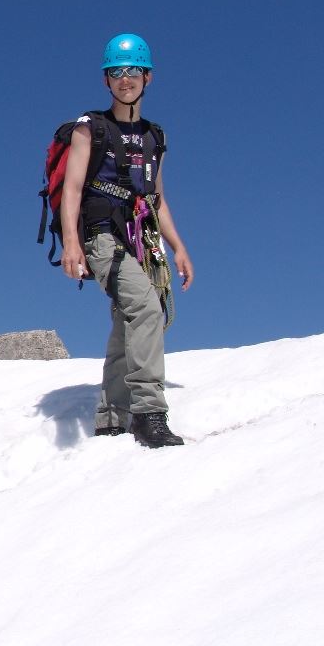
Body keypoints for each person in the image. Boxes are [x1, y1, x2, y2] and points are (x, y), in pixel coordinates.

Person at [60, 34, 194, 448]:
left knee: (128, 318)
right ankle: (149, 412)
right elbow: (72, 188)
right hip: (101, 238)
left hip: (141, 237)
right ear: (106, 81)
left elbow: (157, 197)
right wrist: (71, 242)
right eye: (116, 72)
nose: (125, 79)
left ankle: (111, 415)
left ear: (148, 77)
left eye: (133, 70)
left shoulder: (156, 138)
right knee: (146, 309)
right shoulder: (91, 129)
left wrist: (178, 246)